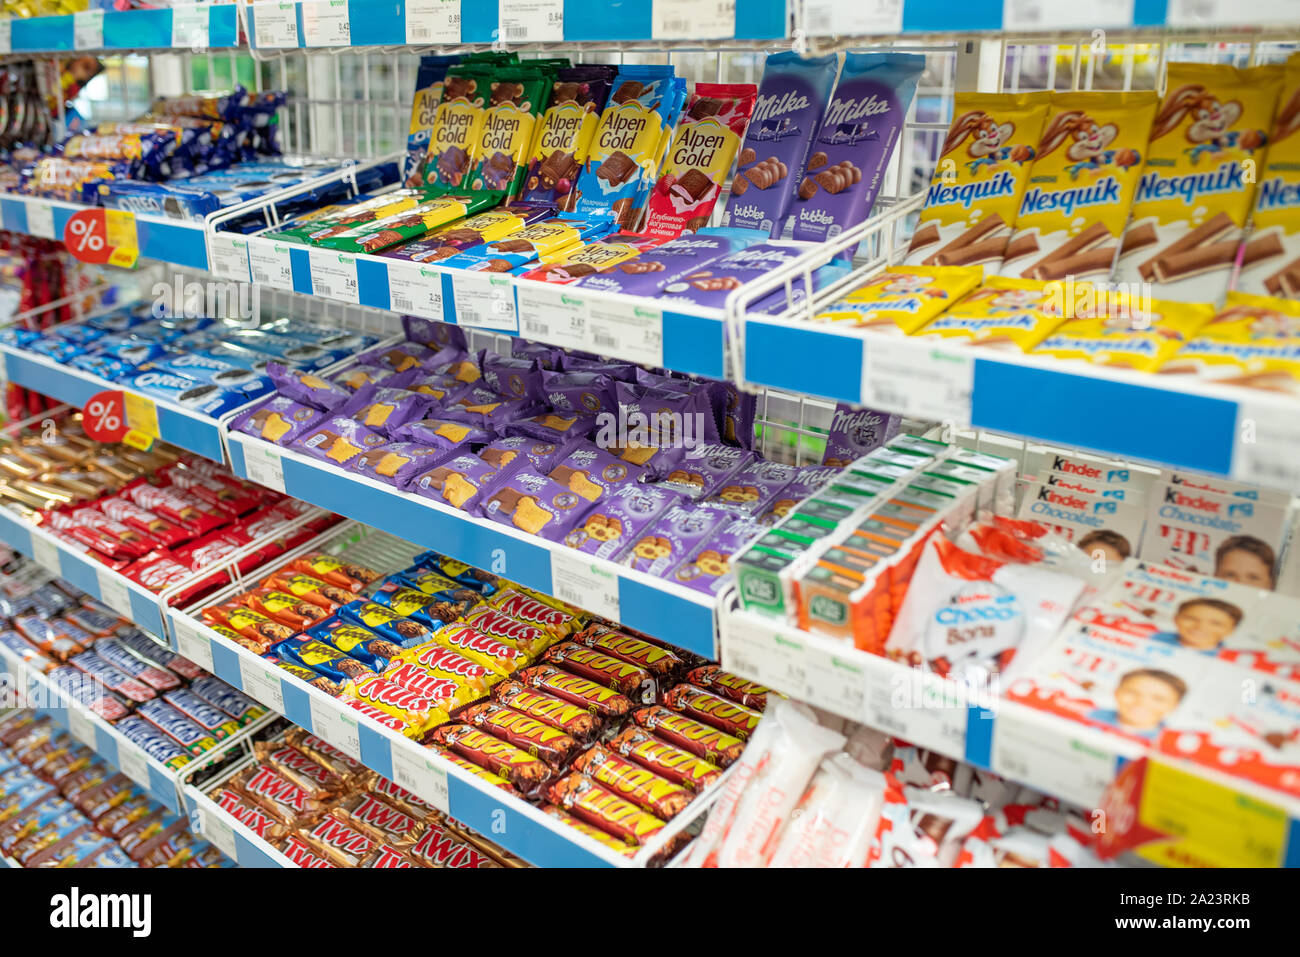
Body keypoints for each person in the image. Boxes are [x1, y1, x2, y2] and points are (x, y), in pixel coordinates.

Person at [1088, 669, 1187, 740]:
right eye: (1132, 692)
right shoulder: (1089, 714)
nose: (1141, 703)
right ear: (1116, 693)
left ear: (1174, 705)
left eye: (1158, 699)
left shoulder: (1170, 741)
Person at [1147, 597, 1242, 653]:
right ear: (1176, 619)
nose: (1200, 627)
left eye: (1216, 623)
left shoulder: (1229, 657)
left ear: (1231, 630)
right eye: (1191, 618)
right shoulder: (1152, 637)